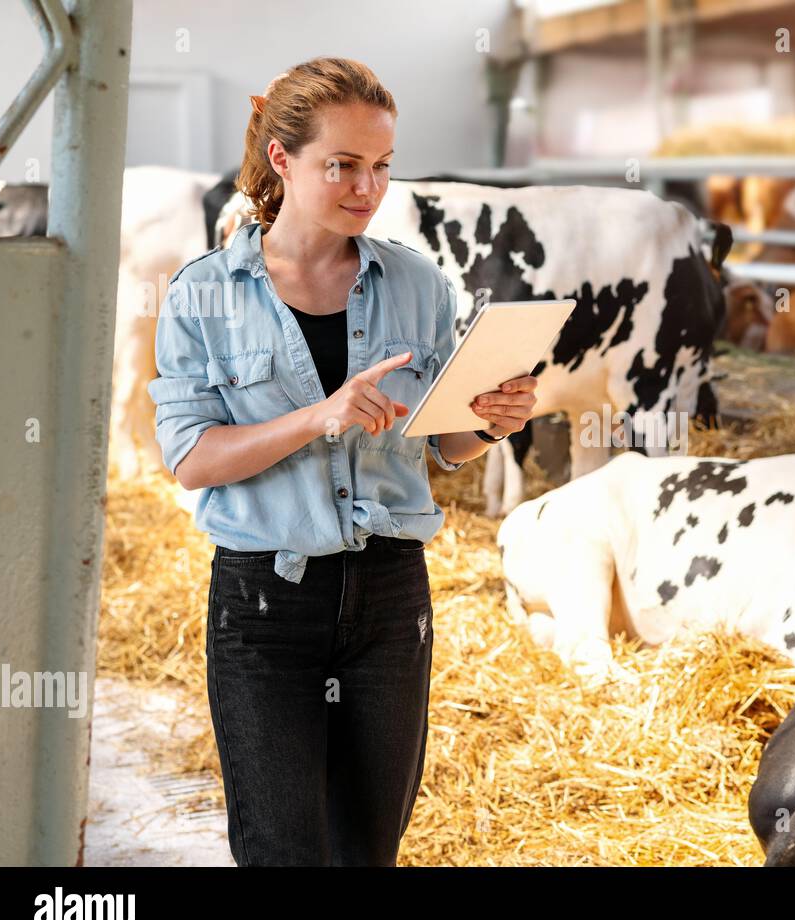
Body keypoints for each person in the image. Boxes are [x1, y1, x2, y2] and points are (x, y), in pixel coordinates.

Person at [147, 56, 537, 866]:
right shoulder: (202, 294)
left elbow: (438, 445)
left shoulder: (418, 285)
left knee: (368, 848)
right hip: (265, 606)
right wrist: (317, 417)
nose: (368, 187)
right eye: (344, 166)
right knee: (283, 849)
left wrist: (490, 424)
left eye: (382, 166)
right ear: (283, 160)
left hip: (392, 600)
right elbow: (190, 459)